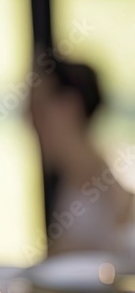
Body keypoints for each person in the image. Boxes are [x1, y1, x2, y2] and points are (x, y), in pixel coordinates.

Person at [29, 58, 134, 256]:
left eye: (39, 109)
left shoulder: (111, 180)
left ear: (70, 107)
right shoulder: (68, 178)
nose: (31, 122)